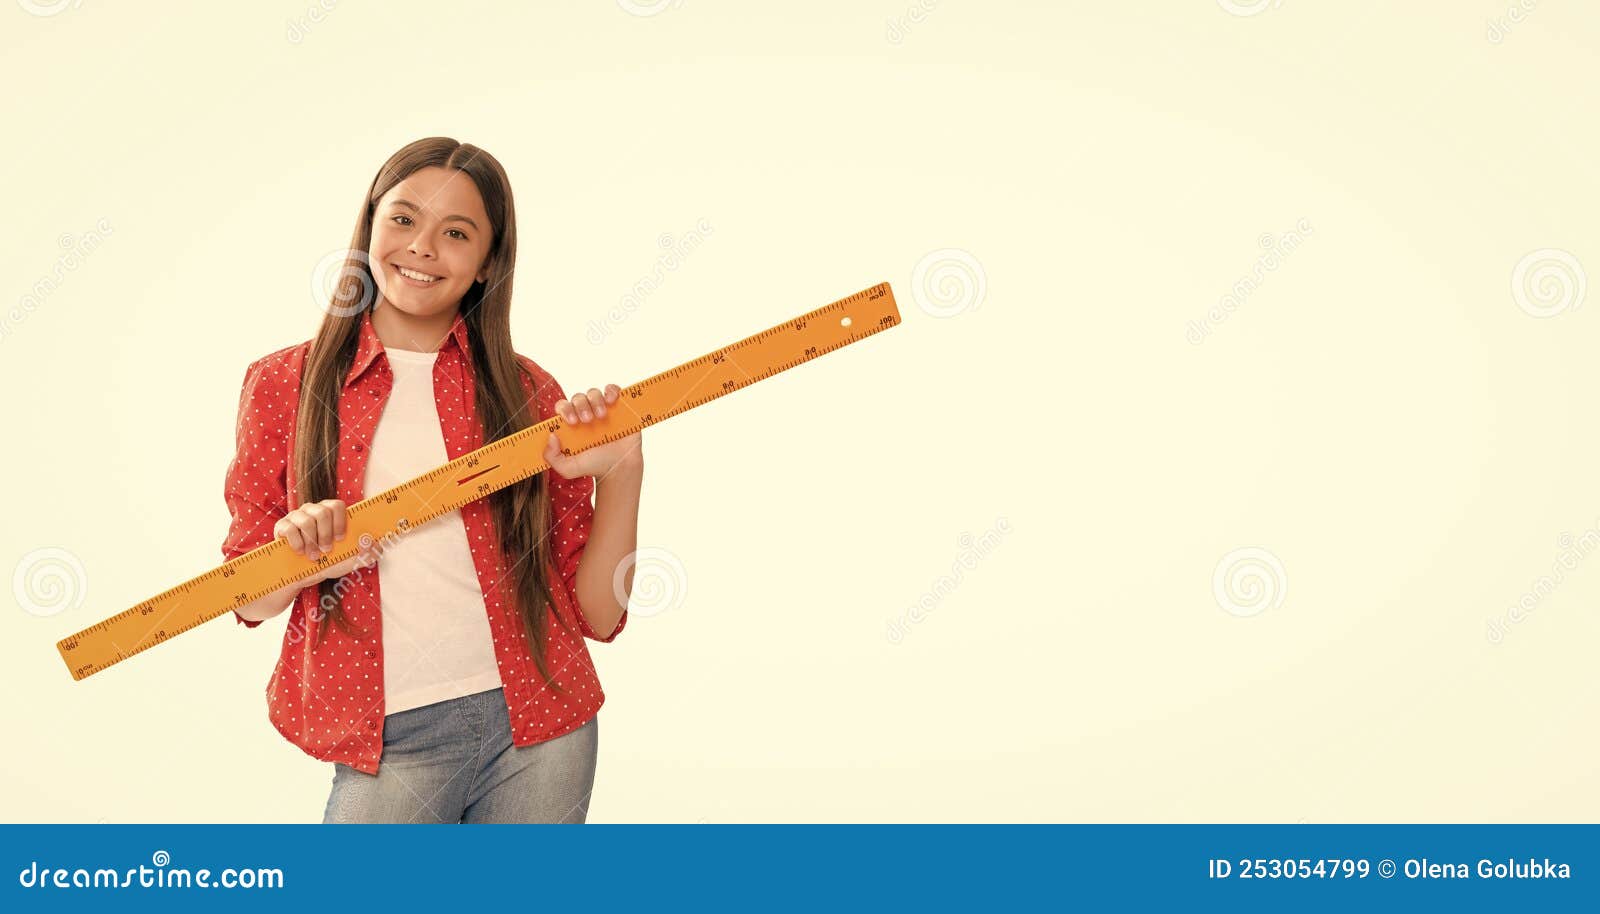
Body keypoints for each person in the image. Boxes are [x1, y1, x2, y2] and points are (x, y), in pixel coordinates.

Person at [221, 137, 644, 823]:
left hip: (542, 729)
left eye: (456, 233)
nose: (421, 246)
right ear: (370, 226)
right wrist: (297, 557)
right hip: (390, 740)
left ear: (487, 263)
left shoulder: (531, 394)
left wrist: (623, 470)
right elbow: (248, 597)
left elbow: (598, 613)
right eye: (403, 219)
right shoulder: (283, 385)